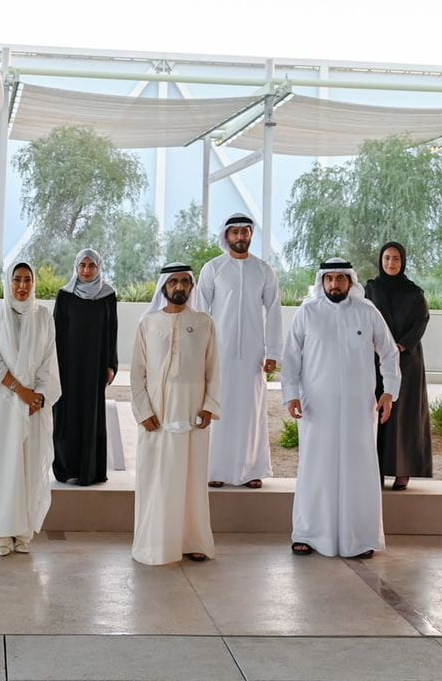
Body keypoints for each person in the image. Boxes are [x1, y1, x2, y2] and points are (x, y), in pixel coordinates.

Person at [282, 259, 400, 559]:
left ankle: (360, 538)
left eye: (340, 279)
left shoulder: (367, 311)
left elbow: (389, 352)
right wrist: (291, 395)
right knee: (315, 468)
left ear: (350, 281)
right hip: (316, 407)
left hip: (358, 408)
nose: (334, 284)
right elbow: (291, 357)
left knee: (359, 470)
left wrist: (389, 392)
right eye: (329, 279)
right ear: (322, 281)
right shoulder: (307, 312)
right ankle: (308, 534)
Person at [0, 261, 60, 556]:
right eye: (17, 279)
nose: (22, 286)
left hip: (32, 407)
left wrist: (39, 396)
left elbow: (49, 361)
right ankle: (1, 531)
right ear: (8, 282)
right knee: (1, 468)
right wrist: (22, 392)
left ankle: (22, 532)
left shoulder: (43, 316)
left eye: (27, 280)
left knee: (28, 467)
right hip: (1, 405)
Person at [131, 263, 221, 566]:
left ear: (192, 287)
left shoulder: (204, 322)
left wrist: (210, 405)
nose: (179, 287)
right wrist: (143, 411)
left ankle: (193, 541)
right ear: (163, 287)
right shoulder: (148, 323)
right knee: (157, 477)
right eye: (173, 282)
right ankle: (156, 543)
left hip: (193, 410)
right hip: (157, 413)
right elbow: (137, 374)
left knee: (192, 478)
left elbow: (214, 368)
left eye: (185, 282)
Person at [194, 213, 281, 489]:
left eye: (245, 232)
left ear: (251, 234)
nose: (241, 237)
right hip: (219, 351)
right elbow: (200, 312)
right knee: (219, 407)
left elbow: (274, 311)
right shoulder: (213, 268)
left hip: (254, 352)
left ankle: (252, 470)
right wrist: (199, 351)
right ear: (227, 235)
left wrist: (273, 352)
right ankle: (215, 469)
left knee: (251, 410)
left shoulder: (264, 270)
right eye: (235, 232)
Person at [366, 242, 432, 490]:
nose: (390, 263)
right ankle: (376, 469)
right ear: (380, 260)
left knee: (404, 415)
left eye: (395, 259)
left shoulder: (414, 293)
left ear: (402, 262)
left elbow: (421, 321)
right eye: (386, 258)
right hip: (375, 359)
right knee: (377, 412)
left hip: (407, 360)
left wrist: (402, 345)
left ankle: (403, 471)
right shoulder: (370, 290)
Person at [52, 248, 119, 485]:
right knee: (66, 414)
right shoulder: (65, 295)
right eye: (82, 265)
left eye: (92, 266)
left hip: (95, 365)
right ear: (76, 267)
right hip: (67, 365)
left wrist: (111, 364)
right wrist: (52, 367)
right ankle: (66, 468)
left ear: (99, 267)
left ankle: (90, 470)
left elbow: (112, 330)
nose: (86, 270)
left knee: (92, 415)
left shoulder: (108, 295)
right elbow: (56, 332)